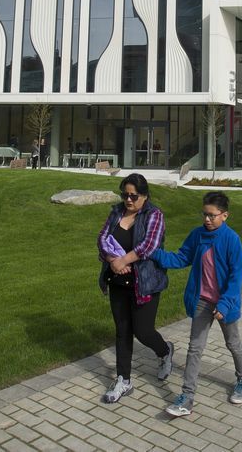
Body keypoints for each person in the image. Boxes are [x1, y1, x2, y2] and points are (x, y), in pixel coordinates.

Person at [152, 191, 242, 417]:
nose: (207, 219)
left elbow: (236, 276)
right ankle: (187, 397)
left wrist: (224, 304)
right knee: (195, 348)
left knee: (233, 343)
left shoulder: (231, 239)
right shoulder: (197, 235)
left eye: (212, 215)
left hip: (225, 304)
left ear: (224, 215)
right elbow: (181, 258)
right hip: (202, 301)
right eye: (204, 214)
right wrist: (155, 254)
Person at [96, 173, 173, 404]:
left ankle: (165, 351)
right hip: (118, 282)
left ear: (145, 195)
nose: (128, 200)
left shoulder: (154, 215)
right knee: (122, 331)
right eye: (125, 195)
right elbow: (102, 238)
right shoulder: (116, 212)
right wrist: (112, 260)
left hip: (144, 283)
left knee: (143, 331)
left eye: (134, 196)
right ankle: (124, 380)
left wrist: (123, 260)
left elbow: (149, 245)